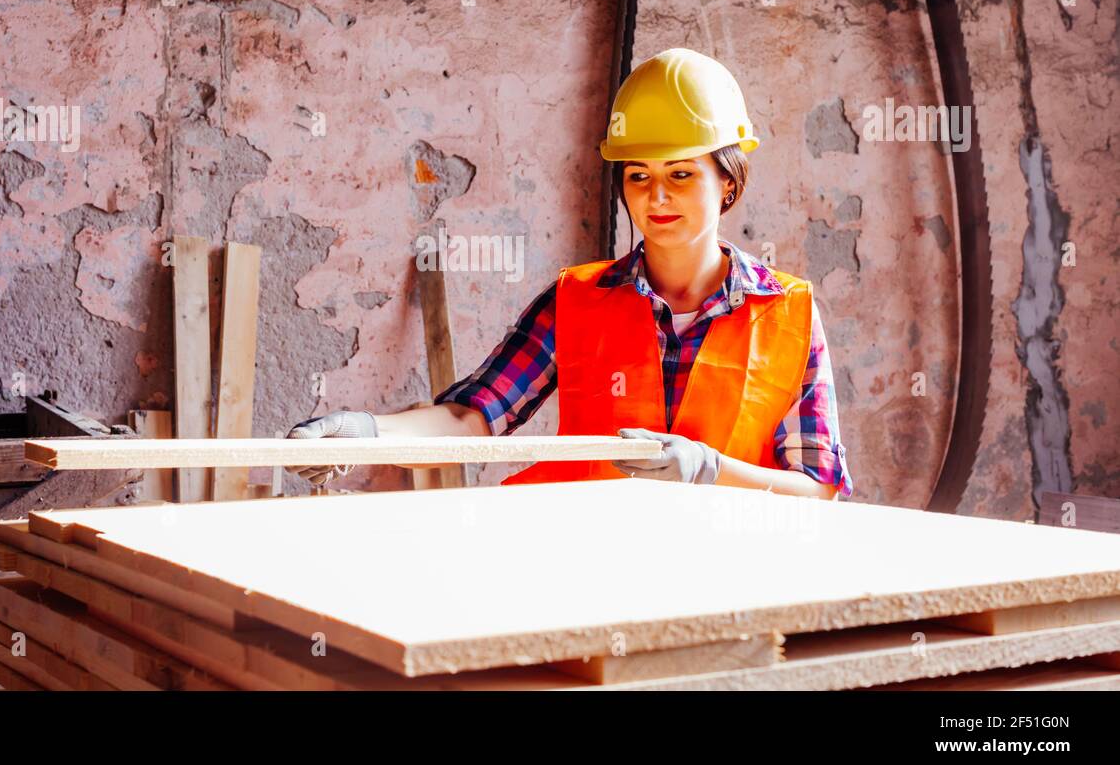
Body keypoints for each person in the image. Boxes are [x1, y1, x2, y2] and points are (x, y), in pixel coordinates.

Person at [286, 48, 852, 500]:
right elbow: (474, 416)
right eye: (638, 176)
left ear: (728, 180)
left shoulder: (788, 313)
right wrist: (369, 433)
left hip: (729, 588)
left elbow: (816, 488)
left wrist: (709, 470)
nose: (656, 197)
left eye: (680, 174)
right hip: (583, 570)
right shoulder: (577, 301)